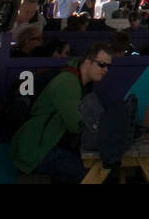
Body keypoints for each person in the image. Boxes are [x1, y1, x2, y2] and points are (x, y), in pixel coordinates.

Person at [10, 44, 114, 183]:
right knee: (90, 177)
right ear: (88, 62)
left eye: (108, 66)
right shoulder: (68, 82)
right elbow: (76, 125)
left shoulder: (76, 78)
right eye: (102, 64)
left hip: (45, 144)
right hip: (37, 150)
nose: (105, 70)